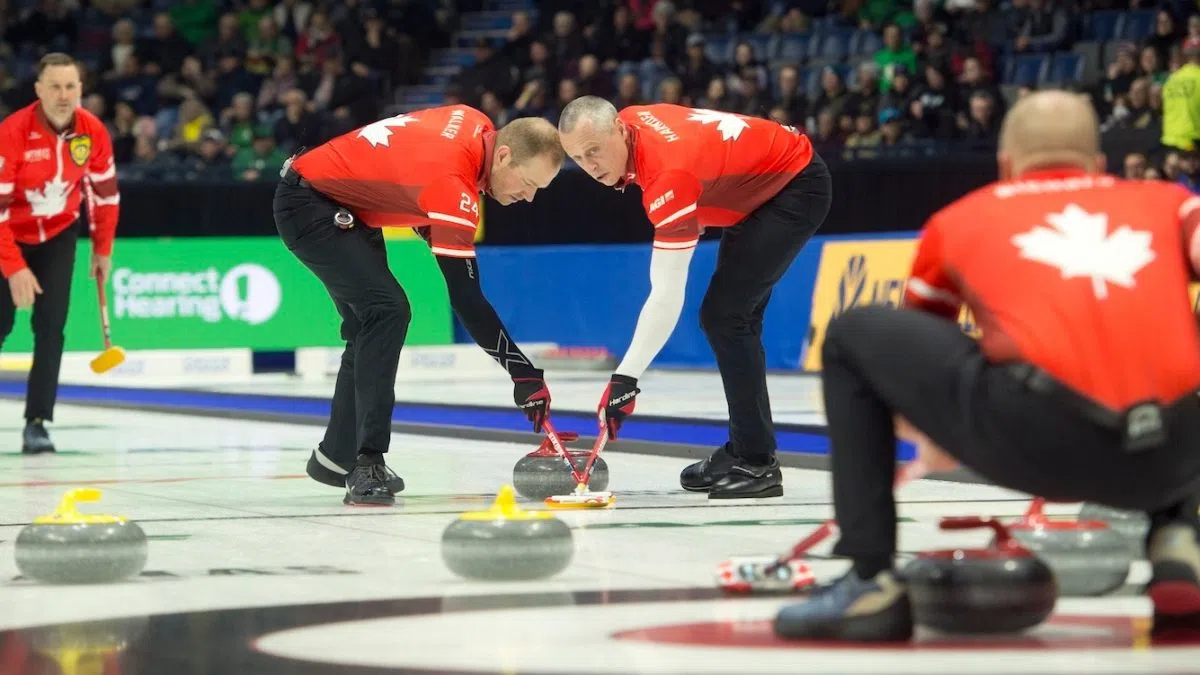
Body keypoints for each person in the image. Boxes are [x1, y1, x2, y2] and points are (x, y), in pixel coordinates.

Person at [774, 90, 1200, 642]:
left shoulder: (963, 218)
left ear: (1005, 166)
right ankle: (1178, 534)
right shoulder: (1169, 201)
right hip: (1176, 453)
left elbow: (914, 357)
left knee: (854, 335)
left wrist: (933, 426)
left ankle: (869, 579)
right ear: (1100, 164)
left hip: (1038, 440)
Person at [275, 106, 564, 506]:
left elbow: (404, 163)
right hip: (310, 203)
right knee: (387, 310)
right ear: (503, 156)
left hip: (344, 202)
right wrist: (523, 373)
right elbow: (466, 298)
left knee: (369, 323)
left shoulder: (475, 123)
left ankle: (336, 458)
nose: (528, 197)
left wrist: (428, 219)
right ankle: (368, 462)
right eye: (528, 182)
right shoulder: (454, 183)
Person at [556, 97, 831, 499]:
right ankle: (746, 447)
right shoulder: (634, 124)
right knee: (732, 317)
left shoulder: (669, 175)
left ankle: (757, 465)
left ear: (618, 128)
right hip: (754, 189)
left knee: (726, 316)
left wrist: (625, 378)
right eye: (578, 158)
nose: (590, 166)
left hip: (793, 187)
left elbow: (666, 296)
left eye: (594, 151)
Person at [0, 53, 119, 454]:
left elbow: (105, 196)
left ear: (81, 89)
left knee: (51, 329)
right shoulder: (13, 132)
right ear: (38, 90)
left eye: (71, 86)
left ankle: (37, 423)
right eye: (54, 86)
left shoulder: (92, 132)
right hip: (9, 236)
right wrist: (14, 267)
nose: (63, 95)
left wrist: (103, 248)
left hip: (58, 234)